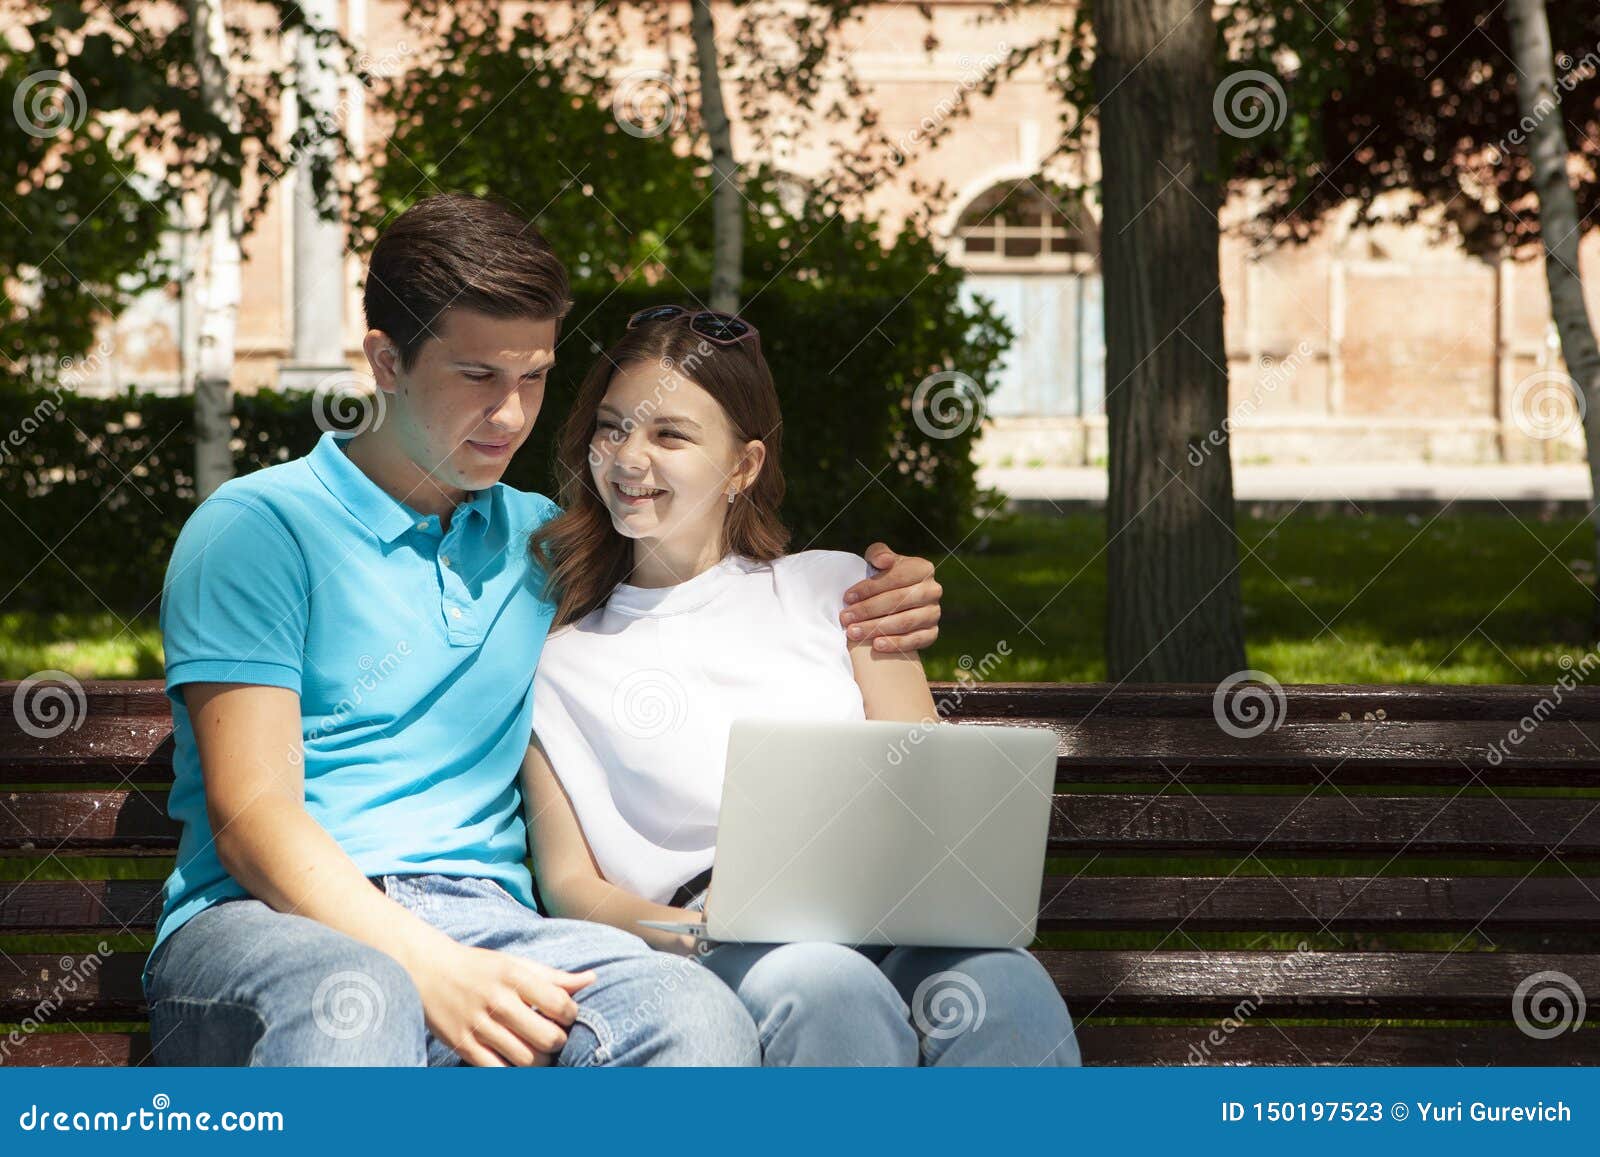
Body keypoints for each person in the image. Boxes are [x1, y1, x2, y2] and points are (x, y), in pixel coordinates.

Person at [142, 194, 946, 1067]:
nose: (513, 415)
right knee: (362, 998)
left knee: (691, 1013)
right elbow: (252, 818)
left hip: (494, 920)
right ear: (385, 360)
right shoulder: (258, 529)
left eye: (535, 377)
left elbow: (702, 563)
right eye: (478, 377)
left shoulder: (540, 543)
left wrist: (887, 592)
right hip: (268, 922)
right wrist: (425, 962)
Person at [523, 305, 1081, 1066]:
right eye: (612, 427)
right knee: (825, 985)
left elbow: (930, 793)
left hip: (890, 921)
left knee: (1007, 987)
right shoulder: (560, 658)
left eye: (669, 434)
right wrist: (698, 929)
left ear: (743, 467)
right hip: (722, 946)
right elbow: (570, 884)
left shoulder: (838, 590)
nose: (628, 458)